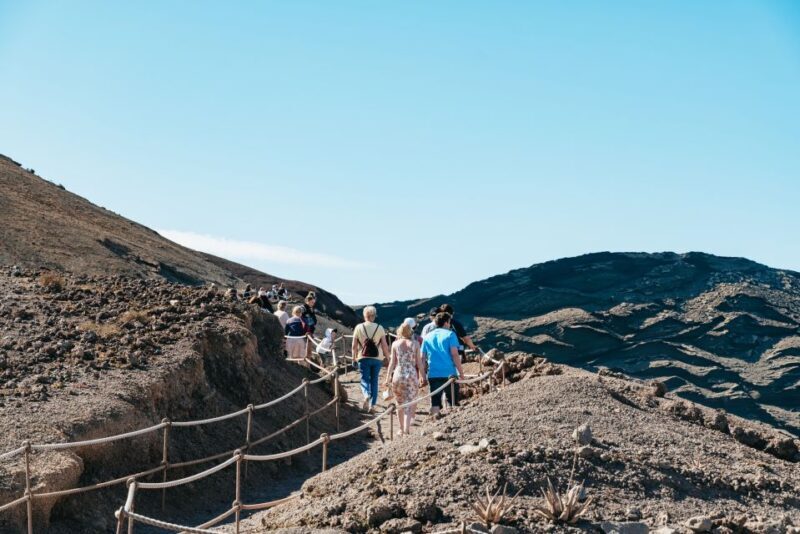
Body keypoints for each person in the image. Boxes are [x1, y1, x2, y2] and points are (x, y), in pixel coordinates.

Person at [385, 321, 425, 436]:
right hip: (411, 374)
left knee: (399, 402)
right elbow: (419, 363)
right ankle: (407, 429)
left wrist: (387, 378)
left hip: (398, 374)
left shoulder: (395, 344)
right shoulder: (415, 344)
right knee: (410, 401)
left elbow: (392, 363)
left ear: (399, 332)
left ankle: (401, 429)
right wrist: (423, 376)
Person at [421, 312, 464, 417]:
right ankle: (452, 422)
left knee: (435, 402)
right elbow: (455, 354)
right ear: (446, 322)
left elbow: (422, 357)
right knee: (452, 402)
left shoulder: (427, 336)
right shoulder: (450, 334)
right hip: (450, 374)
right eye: (449, 322)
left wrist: (422, 376)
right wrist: (461, 373)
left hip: (433, 373)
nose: (450, 324)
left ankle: (435, 423)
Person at [352, 306, 390, 411]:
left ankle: (366, 395)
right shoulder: (380, 327)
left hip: (363, 357)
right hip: (377, 358)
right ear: (374, 316)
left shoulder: (358, 327)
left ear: (364, 315)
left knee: (364, 379)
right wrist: (388, 358)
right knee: (374, 381)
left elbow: (354, 346)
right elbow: (384, 345)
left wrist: (353, 358)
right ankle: (372, 405)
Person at [302, 292, 318, 359]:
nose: (313, 304)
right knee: (304, 346)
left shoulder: (311, 309)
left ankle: (308, 358)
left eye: (314, 302)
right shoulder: (303, 308)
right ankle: (305, 359)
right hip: (305, 331)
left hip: (310, 330)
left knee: (309, 346)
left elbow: (314, 319)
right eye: (312, 302)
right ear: (307, 301)